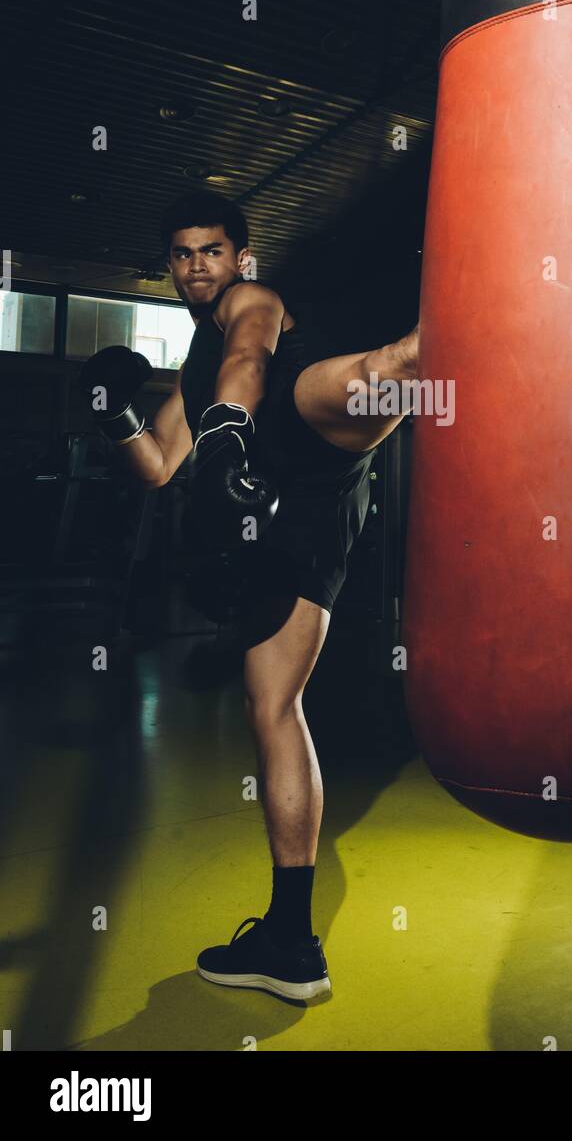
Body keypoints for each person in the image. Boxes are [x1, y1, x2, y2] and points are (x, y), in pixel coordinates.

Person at [79, 190, 419, 1004]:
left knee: (383, 374)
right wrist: (111, 416)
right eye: (184, 253)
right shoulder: (191, 372)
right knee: (273, 710)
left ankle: (508, 300)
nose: (199, 265)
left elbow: (250, 358)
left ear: (239, 257)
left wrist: (229, 426)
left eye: (212, 250)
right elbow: (158, 465)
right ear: (170, 266)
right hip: (286, 518)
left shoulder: (249, 302)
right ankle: (292, 944)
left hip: (297, 425)